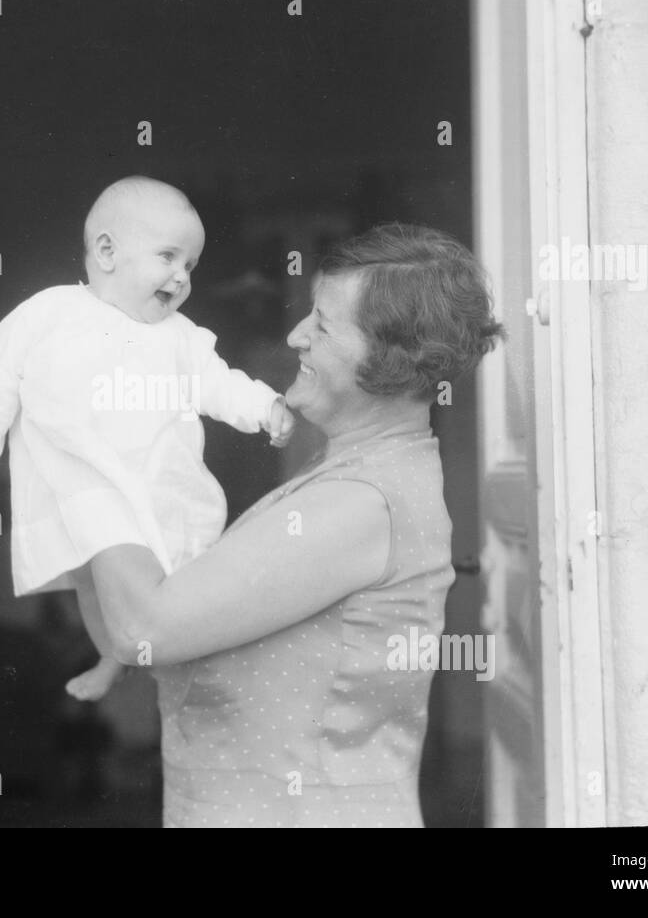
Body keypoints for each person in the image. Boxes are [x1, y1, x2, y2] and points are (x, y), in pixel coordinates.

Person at [85, 223, 505, 827]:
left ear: (392, 359)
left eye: (324, 324)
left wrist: (88, 449)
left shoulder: (361, 502)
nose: (296, 334)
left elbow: (142, 627)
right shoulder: (361, 471)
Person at [0, 176, 295, 701]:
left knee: (176, 576)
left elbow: (219, 383)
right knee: (93, 574)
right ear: (107, 251)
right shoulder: (50, 313)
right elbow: (0, 372)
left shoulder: (181, 337)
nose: (180, 277)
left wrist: (265, 406)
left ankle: (159, 657)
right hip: (83, 476)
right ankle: (112, 653)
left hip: (159, 479)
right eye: (168, 257)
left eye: (190, 266)